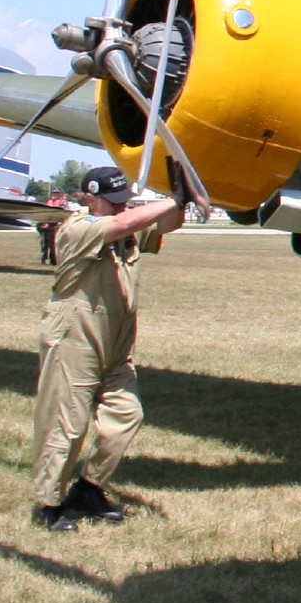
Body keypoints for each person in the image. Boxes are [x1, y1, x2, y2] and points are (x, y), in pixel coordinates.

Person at [30, 164, 187, 531]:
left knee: (126, 416)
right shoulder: (77, 228)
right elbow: (119, 227)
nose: (121, 208)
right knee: (66, 424)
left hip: (116, 340)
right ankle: (50, 503)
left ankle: (88, 488)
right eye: (113, 201)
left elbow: (167, 225)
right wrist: (170, 200)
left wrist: (183, 198)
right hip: (75, 336)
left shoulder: (127, 223)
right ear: (90, 198)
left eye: (124, 201)